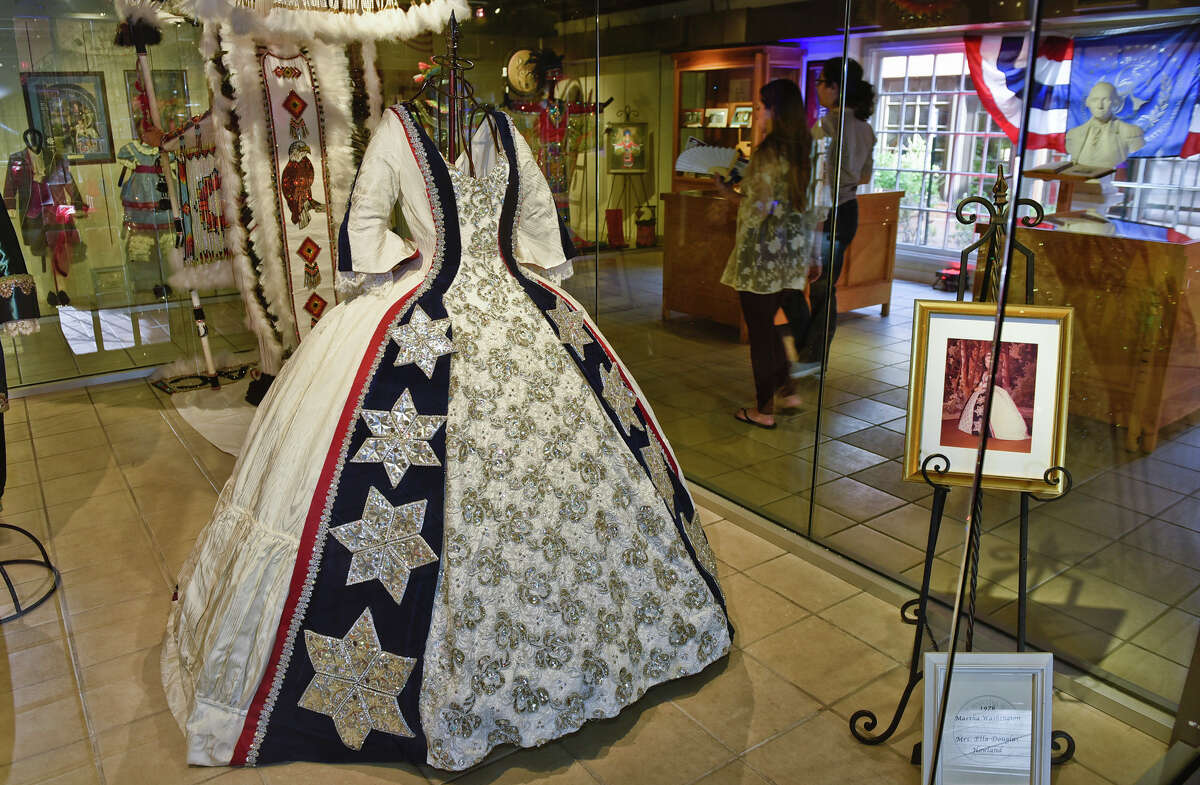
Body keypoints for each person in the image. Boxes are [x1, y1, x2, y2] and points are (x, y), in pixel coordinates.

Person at [161, 102, 731, 770]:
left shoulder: (400, 132)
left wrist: (408, 258)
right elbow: (544, 237)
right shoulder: (507, 136)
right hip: (522, 310)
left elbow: (365, 236)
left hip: (431, 305)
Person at [716, 78, 820, 429]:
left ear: (773, 110)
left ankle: (764, 410)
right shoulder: (805, 151)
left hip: (762, 256)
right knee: (774, 324)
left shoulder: (767, 153)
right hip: (792, 255)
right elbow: (810, 209)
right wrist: (813, 255)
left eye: (761, 106)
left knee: (761, 333)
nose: (758, 113)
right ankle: (788, 390)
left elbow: (756, 208)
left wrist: (726, 192)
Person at [786, 57, 876, 379]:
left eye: (821, 82)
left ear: (835, 88)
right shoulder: (865, 129)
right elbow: (864, 176)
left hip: (824, 213)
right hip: (849, 209)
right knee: (826, 287)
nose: (818, 88)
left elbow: (815, 183)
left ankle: (811, 357)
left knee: (803, 284)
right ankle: (814, 358)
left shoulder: (824, 127)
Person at [1064, 81, 1145, 171]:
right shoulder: (1074, 134)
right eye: (1095, 100)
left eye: (1105, 100)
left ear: (1115, 103)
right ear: (1088, 102)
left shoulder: (1131, 133)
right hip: (1078, 181)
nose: (1100, 106)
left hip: (1109, 179)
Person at [957, 353, 1029, 440]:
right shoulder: (985, 372)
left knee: (995, 409)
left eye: (990, 362)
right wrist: (979, 387)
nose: (988, 364)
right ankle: (976, 428)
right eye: (986, 362)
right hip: (982, 391)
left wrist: (982, 387)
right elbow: (983, 381)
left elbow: (990, 383)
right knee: (977, 406)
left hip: (991, 391)